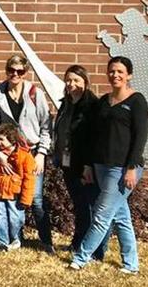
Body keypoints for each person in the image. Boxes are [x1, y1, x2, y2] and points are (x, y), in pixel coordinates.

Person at [70, 57, 148, 274]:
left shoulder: (137, 101)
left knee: (101, 215)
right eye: (112, 71)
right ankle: (131, 264)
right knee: (121, 218)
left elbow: (141, 136)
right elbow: (93, 137)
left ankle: (81, 258)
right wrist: (88, 165)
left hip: (123, 169)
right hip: (101, 167)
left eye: (120, 71)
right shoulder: (103, 101)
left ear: (129, 75)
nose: (115, 75)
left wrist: (132, 167)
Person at [0, 54, 53, 252]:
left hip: (30, 153)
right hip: (6, 155)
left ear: (25, 72)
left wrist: (41, 154)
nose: (15, 74)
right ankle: (11, 238)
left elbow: (46, 126)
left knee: (36, 198)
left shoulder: (35, 94)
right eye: (11, 70)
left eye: (20, 71)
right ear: (6, 71)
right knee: (6, 196)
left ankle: (46, 241)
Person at [54, 65, 106, 258]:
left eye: (76, 80)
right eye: (68, 80)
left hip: (85, 166)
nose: (71, 84)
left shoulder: (92, 105)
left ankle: (96, 251)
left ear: (85, 82)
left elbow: (94, 138)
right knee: (80, 206)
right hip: (69, 163)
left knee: (91, 208)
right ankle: (78, 243)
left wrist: (88, 165)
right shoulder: (66, 103)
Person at [0, 122, 36, 253]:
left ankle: (15, 239)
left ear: (11, 139)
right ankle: (0, 240)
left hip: (15, 194)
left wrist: (26, 199)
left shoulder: (24, 156)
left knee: (15, 218)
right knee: (0, 217)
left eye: (1, 139)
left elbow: (29, 178)